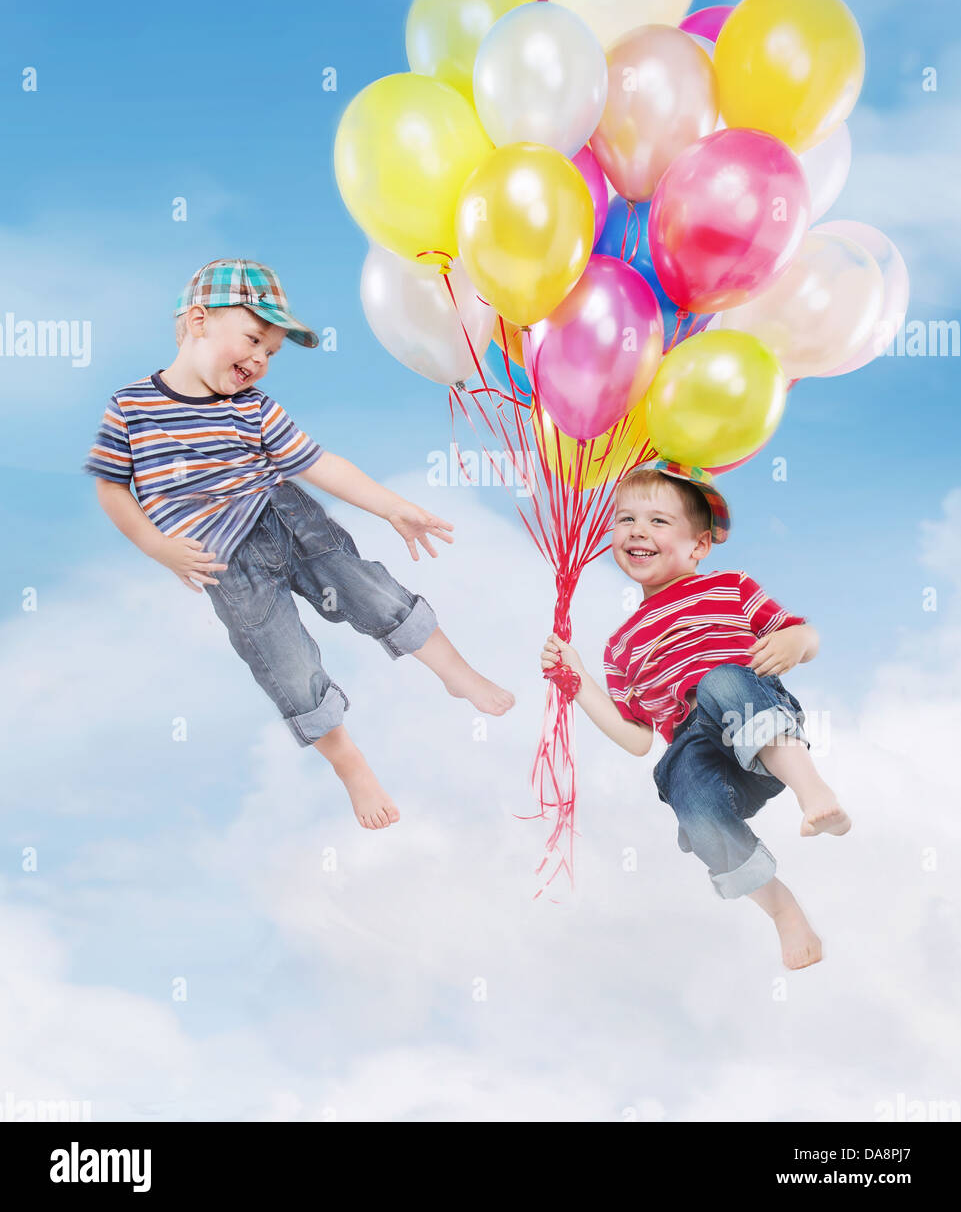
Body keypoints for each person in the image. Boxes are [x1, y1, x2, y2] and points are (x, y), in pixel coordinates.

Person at [84, 258, 514, 829]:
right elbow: (112, 487)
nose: (261, 359)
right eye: (255, 338)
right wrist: (157, 547)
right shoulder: (132, 407)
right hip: (227, 564)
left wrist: (393, 507)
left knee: (371, 590)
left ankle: (458, 673)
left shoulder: (254, 409)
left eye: (272, 352)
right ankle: (351, 765)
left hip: (286, 518)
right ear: (197, 321)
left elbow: (320, 464)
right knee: (286, 664)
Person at [541, 458, 850, 970]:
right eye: (626, 519)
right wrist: (578, 684)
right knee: (690, 803)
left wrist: (796, 641)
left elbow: (803, 633)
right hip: (698, 749)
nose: (637, 530)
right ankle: (782, 910)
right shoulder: (620, 647)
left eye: (658, 521)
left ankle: (812, 791)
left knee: (719, 680)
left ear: (698, 546)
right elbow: (639, 739)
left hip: (755, 720)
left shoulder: (730, 585)